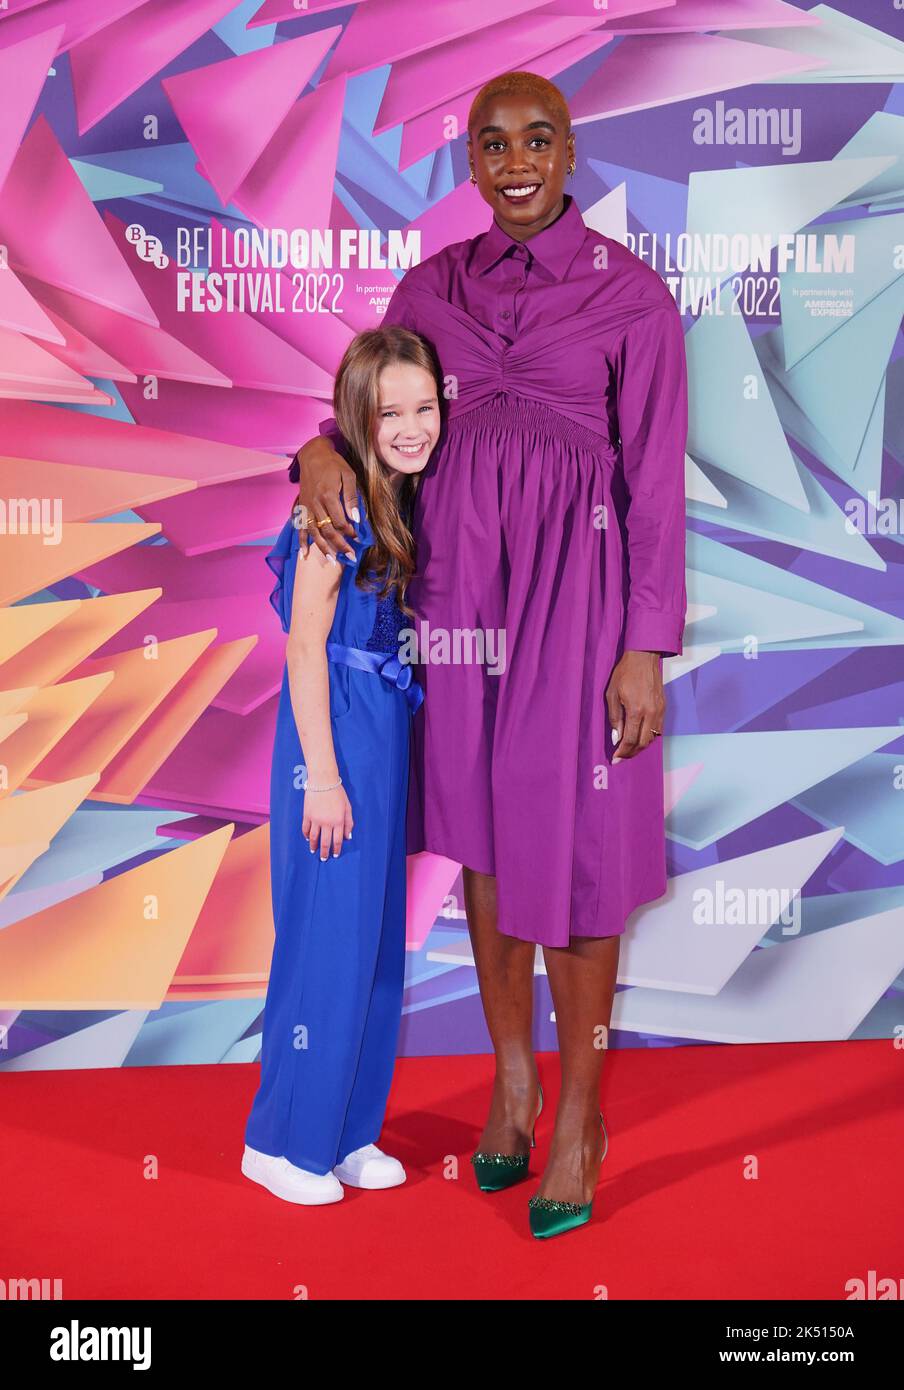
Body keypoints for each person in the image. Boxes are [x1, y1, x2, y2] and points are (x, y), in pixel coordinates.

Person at [291, 71, 688, 1237]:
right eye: (491, 143)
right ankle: (510, 1078)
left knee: (580, 848)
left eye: (538, 140)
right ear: (469, 161)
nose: (515, 161)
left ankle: (580, 1115)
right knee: (484, 836)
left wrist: (644, 648)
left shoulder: (632, 299)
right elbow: (375, 410)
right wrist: (317, 455)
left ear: (569, 156)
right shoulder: (431, 285)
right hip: (455, 608)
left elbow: (653, 486)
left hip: (580, 609)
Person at [243, 326, 442, 1205]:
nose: (410, 425)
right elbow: (303, 651)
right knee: (325, 942)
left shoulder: (400, 494)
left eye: (424, 407)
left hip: (382, 730)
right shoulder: (338, 506)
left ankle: (351, 1130)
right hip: (333, 735)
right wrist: (321, 776)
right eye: (389, 410)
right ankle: (282, 1141)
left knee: (372, 947)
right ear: (355, 418)